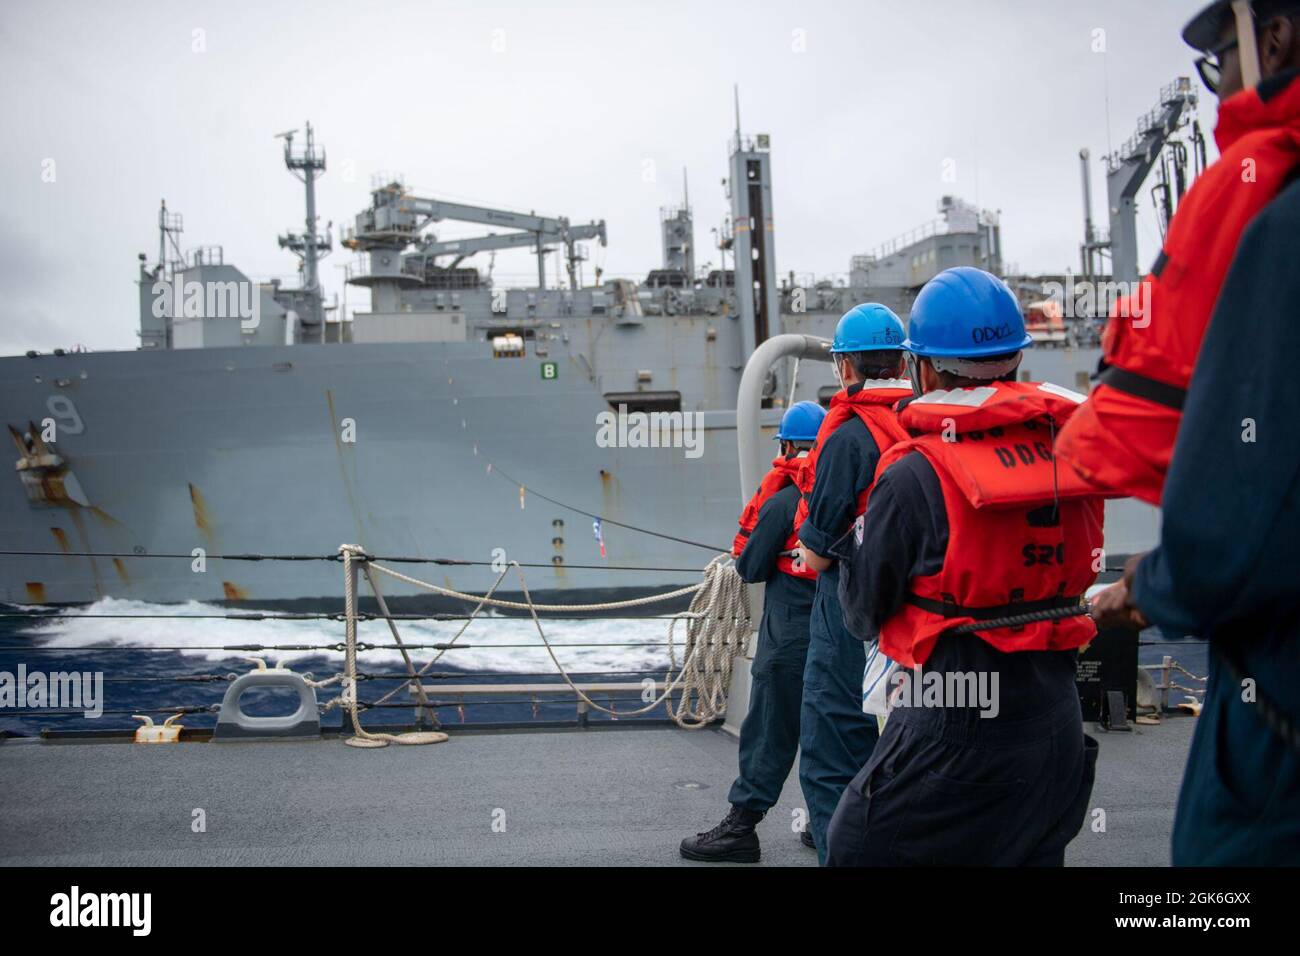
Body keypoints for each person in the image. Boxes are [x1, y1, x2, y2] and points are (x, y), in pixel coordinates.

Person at [1090, 0, 1300, 864]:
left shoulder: (1281, 227)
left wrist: (1152, 588)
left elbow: (1237, 521)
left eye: (1223, 60)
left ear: (1275, 35)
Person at [826, 267, 1103, 866]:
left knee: (855, 845)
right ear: (1015, 362)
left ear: (923, 368)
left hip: (953, 721)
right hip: (1054, 720)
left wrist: (853, 543)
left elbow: (862, 615)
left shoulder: (911, 474)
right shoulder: (1070, 446)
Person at [1056, 0, 1300, 505]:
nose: (1221, 92)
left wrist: (1163, 579)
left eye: (1220, 64)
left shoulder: (1259, 188)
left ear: (1274, 42)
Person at [792, 303, 912, 863]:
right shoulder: (923, 416)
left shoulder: (847, 437)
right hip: (920, 613)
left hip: (849, 612)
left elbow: (816, 555)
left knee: (831, 748)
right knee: (899, 751)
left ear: (845, 367)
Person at [680, 401, 825, 862]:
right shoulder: (841, 493)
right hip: (843, 636)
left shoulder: (783, 500)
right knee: (836, 730)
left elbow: (750, 565)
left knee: (769, 732)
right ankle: (831, 823)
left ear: (785, 445)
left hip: (789, 639)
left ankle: (742, 827)